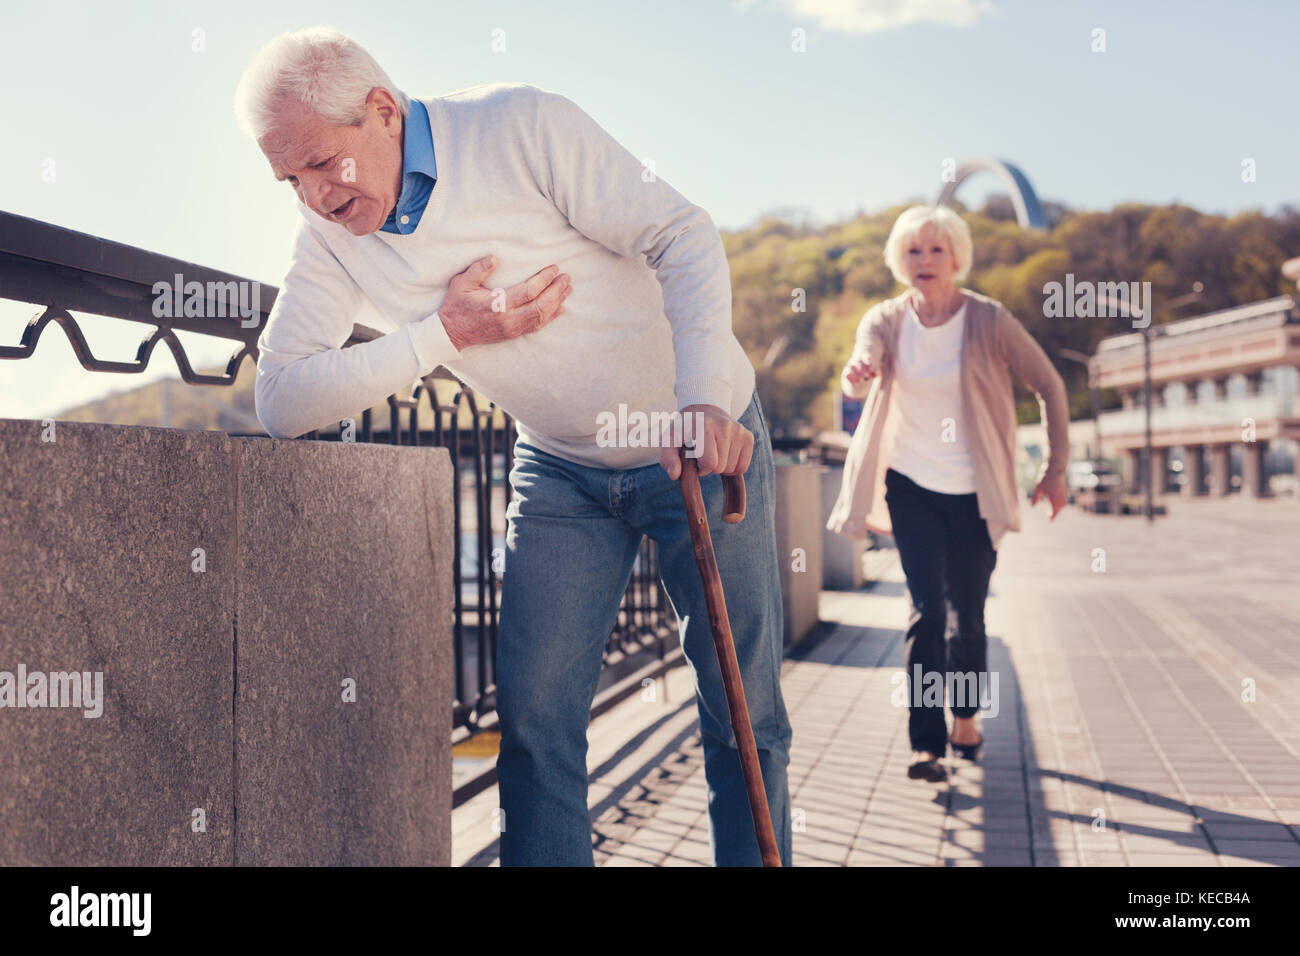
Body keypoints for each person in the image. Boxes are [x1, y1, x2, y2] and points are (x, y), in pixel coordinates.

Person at [235, 27, 792, 865]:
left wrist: (706, 400)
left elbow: (683, 233)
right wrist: (440, 335)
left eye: (320, 164)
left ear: (382, 111)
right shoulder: (332, 239)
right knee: (533, 726)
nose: (312, 196)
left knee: (741, 711)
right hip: (559, 471)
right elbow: (281, 399)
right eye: (289, 180)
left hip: (699, 447)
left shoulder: (520, 126)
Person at [827, 205, 1069, 782]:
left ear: (956, 257)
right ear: (898, 260)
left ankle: (965, 715)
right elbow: (862, 362)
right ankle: (926, 744)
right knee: (926, 610)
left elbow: (1051, 386)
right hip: (910, 485)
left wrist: (1056, 469)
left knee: (969, 616)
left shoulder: (988, 319)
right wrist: (857, 373)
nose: (925, 261)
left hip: (974, 492)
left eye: (936, 250)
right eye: (913, 251)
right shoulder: (886, 318)